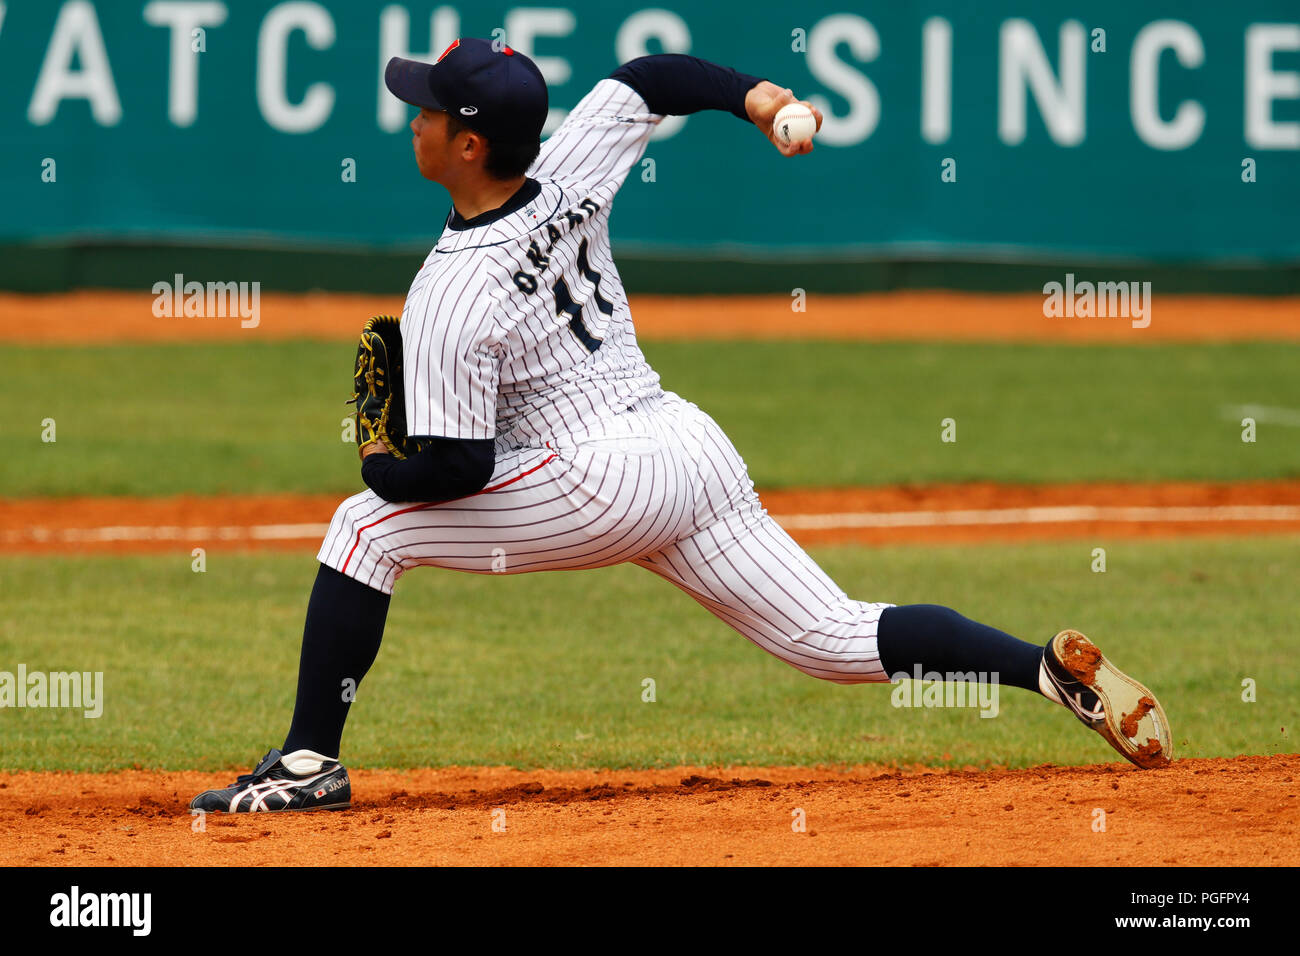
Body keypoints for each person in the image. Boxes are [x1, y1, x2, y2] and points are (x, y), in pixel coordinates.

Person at [191, 40, 1170, 813]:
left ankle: (310, 763)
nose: (414, 117)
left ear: (470, 146)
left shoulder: (450, 290)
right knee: (829, 637)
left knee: (362, 527)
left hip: (598, 478)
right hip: (688, 446)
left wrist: (373, 450)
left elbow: (451, 467)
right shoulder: (569, 163)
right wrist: (766, 103)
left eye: (430, 109)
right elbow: (655, 78)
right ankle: (1043, 669)